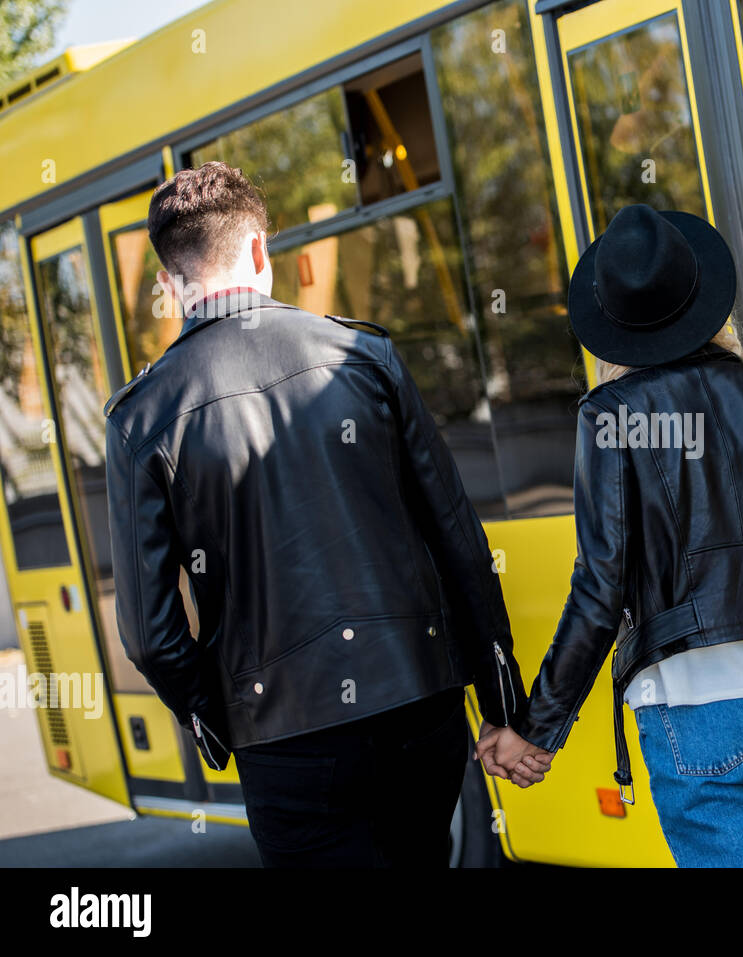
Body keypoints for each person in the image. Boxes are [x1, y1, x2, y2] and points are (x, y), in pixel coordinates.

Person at [103, 161, 539, 867]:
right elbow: (457, 538)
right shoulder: (364, 356)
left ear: (167, 283)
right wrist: (500, 701)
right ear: (258, 251)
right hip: (416, 706)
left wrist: (221, 714)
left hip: (283, 737)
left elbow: (152, 637)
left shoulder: (140, 418)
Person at [477, 204, 743, 867]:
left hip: (696, 711)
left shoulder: (611, 415)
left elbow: (600, 590)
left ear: (614, 329)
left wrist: (535, 729)